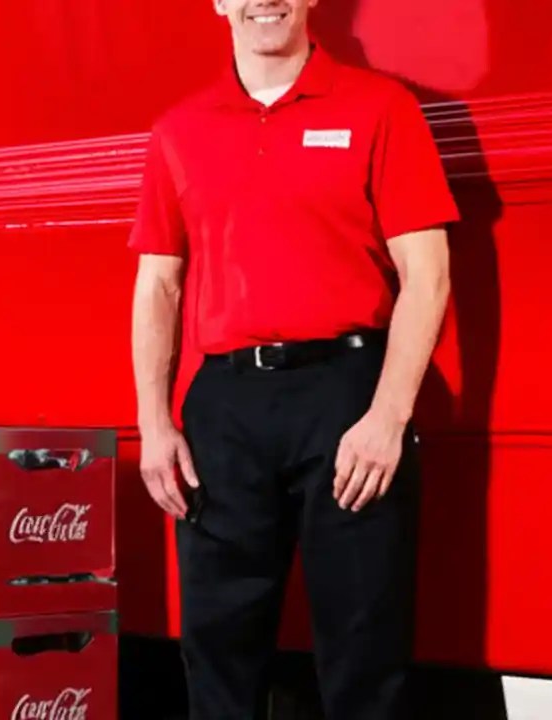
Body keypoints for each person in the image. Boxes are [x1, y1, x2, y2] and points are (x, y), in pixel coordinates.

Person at [128, 1, 459, 718]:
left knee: (364, 650)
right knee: (217, 651)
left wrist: (387, 418)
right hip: (224, 408)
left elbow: (428, 275)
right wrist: (154, 425)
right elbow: (158, 285)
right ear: (219, 3)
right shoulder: (179, 130)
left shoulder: (382, 108)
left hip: (347, 398)